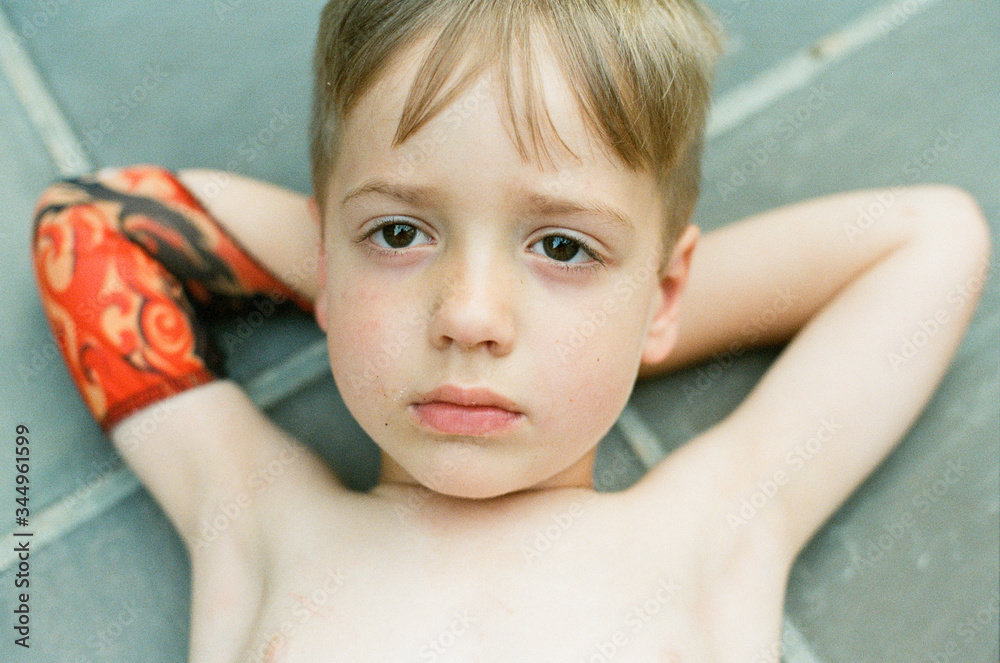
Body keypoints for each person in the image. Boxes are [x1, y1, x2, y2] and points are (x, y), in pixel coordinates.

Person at [30, 0, 989, 660]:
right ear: (325, 259)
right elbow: (91, 230)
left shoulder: (712, 530)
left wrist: (627, 320)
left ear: (665, 294)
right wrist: (345, 268)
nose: (469, 316)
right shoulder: (258, 518)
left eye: (565, 248)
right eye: (398, 232)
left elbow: (931, 239)